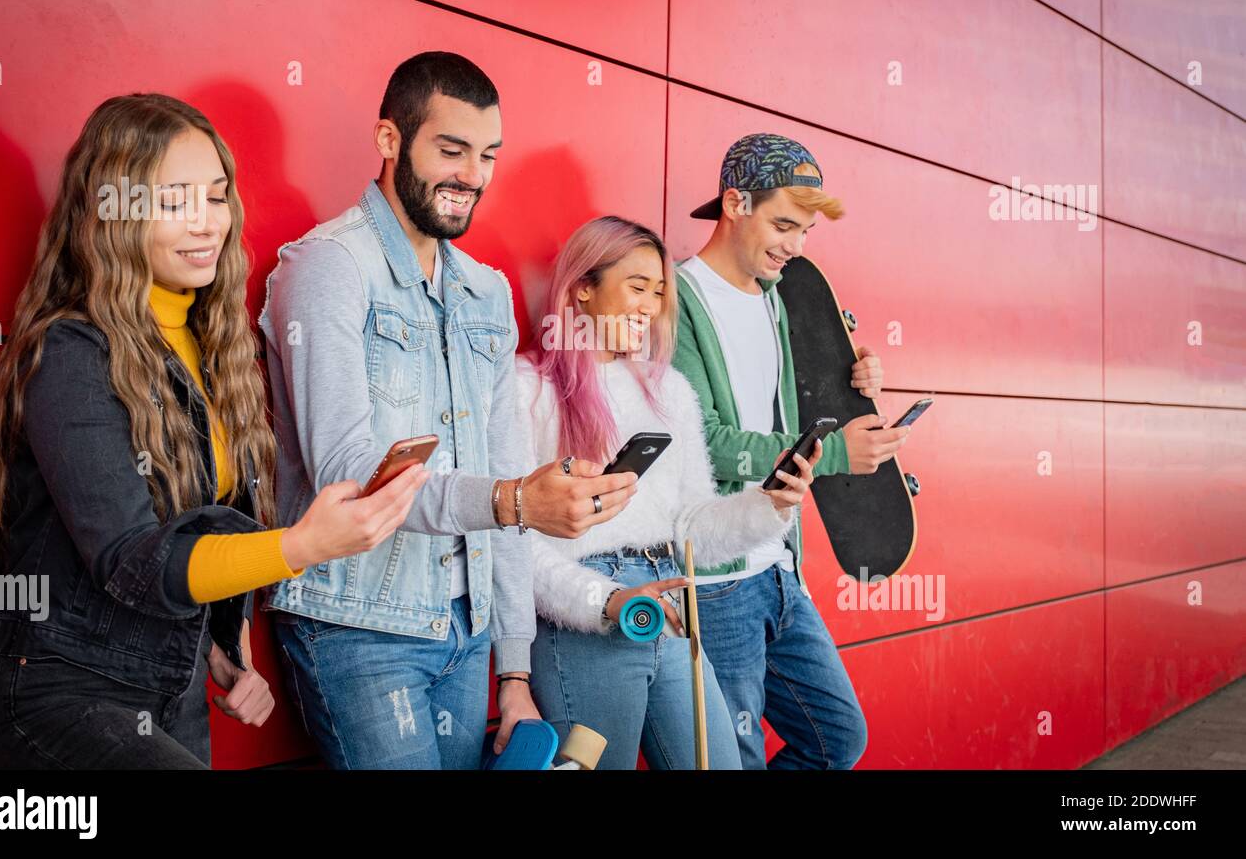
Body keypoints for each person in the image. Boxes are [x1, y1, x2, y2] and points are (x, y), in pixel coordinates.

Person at [0, 93, 424, 769]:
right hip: (58, 696)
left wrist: (218, 653)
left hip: (169, 692)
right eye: (174, 201)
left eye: (215, 198)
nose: (207, 223)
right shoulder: (71, 352)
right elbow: (128, 561)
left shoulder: (212, 347)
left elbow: (186, 536)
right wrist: (300, 546)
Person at [260, 52, 638, 769]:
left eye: (488, 154)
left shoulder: (485, 292)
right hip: (357, 625)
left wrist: (516, 673)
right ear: (389, 141)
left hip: (465, 631)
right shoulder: (327, 268)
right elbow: (352, 477)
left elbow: (504, 477)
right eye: (451, 149)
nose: (473, 174)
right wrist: (515, 499)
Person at [517, 215, 820, 769]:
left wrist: (769, 504)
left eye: (659, 292)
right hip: (584, 620)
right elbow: (511, 542)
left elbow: (690, 529)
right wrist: (604, 601)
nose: (651, 307)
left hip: (673, 608)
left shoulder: (668, 390)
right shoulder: (527, 388)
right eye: (637, 288)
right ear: (583, 287)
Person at [673, 132, 909, 769]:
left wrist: (856, 381)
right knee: (734, 758)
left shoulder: (778, 301)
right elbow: (709, 447)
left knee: (837, 740)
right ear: (733, 203)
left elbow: (801, 412)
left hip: (779, 567)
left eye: (804, 231)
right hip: (715, 581)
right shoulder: (677, 301)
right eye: (782, 224)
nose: (795, 246)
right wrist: (833, 455)